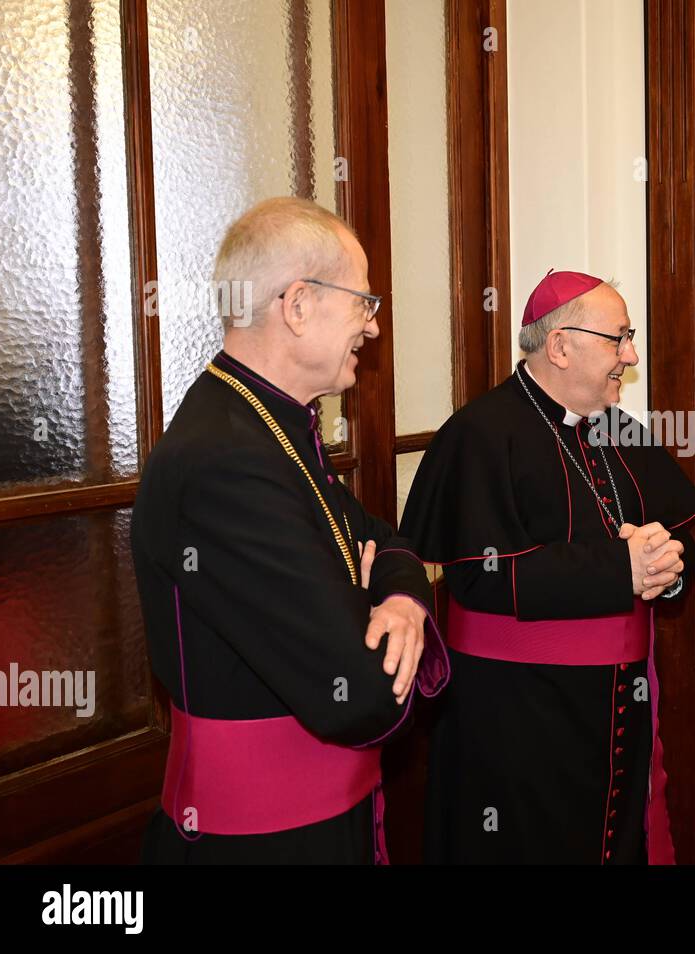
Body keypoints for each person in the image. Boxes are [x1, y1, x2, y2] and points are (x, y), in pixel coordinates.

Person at [131, 197, 447, 864]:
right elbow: (361, 692)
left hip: (329, 821)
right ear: (298, 304)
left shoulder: (271, 424)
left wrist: (396, 599)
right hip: (260, 843)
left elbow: (386, 541)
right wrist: (377, 596)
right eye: (364, 302)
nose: (372, 326)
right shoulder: (227, 461)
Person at [400, 269, 695, 864]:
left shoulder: (622, 431)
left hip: (619, 707)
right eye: (619, 339)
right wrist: (622, 566)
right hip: (517, 719)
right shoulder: (480, 433)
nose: (632, 355)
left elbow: (672, 540)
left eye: (629, 337)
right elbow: (478, 576)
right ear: (561, 345)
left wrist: (668, 569)